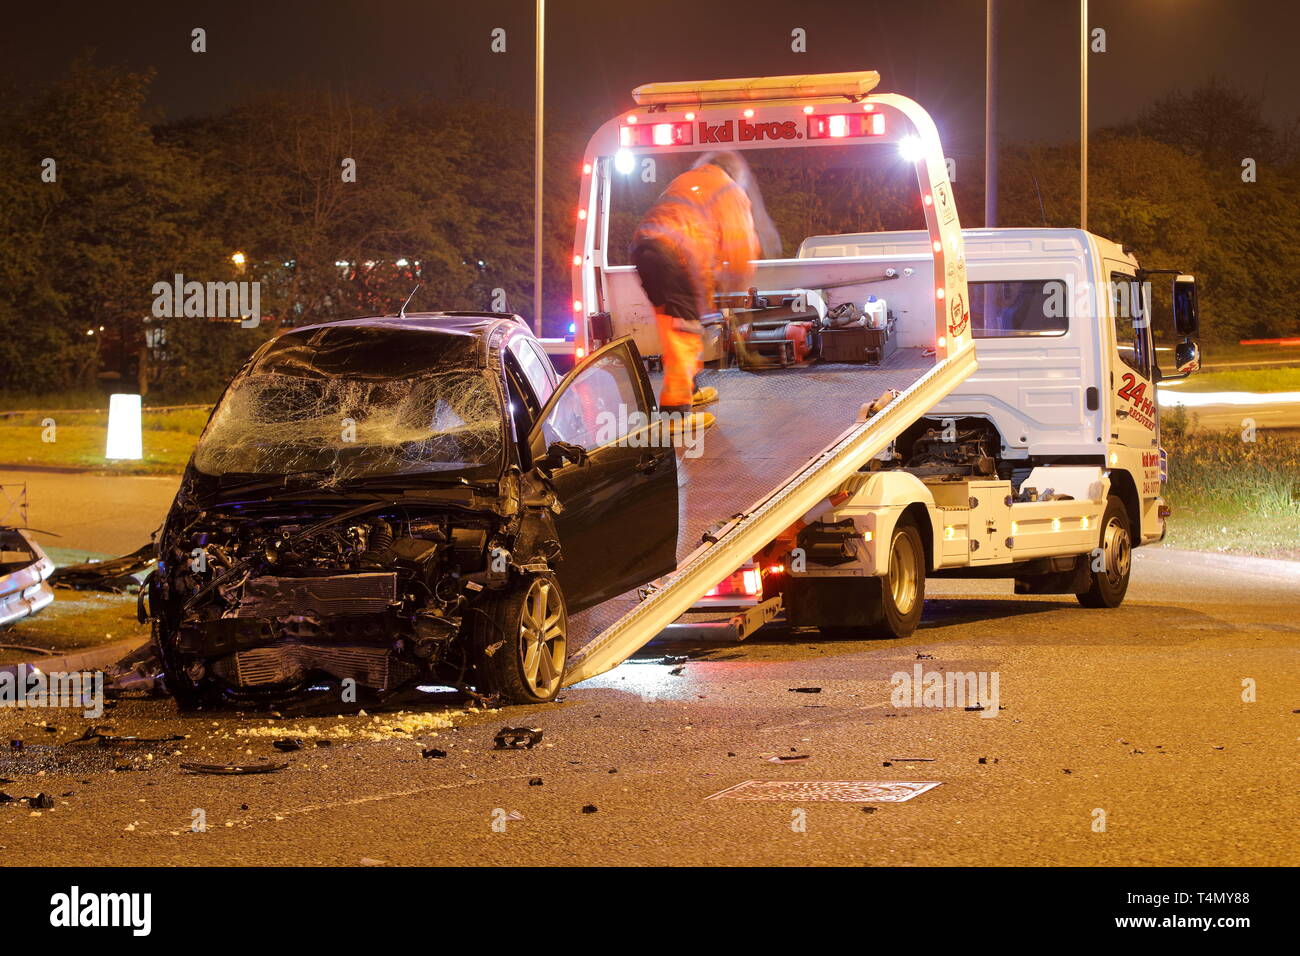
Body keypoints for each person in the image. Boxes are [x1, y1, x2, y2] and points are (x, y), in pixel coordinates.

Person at [630, 151, 780, 430]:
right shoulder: (729, 190)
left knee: (676, 326)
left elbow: (687, 225)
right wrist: (737, 285)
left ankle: (691, 389)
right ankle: (675, 412)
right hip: (675, 256)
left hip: (644, 249)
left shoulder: (686, 180)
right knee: (684, 331)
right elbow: (740, 244)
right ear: (734, 173)